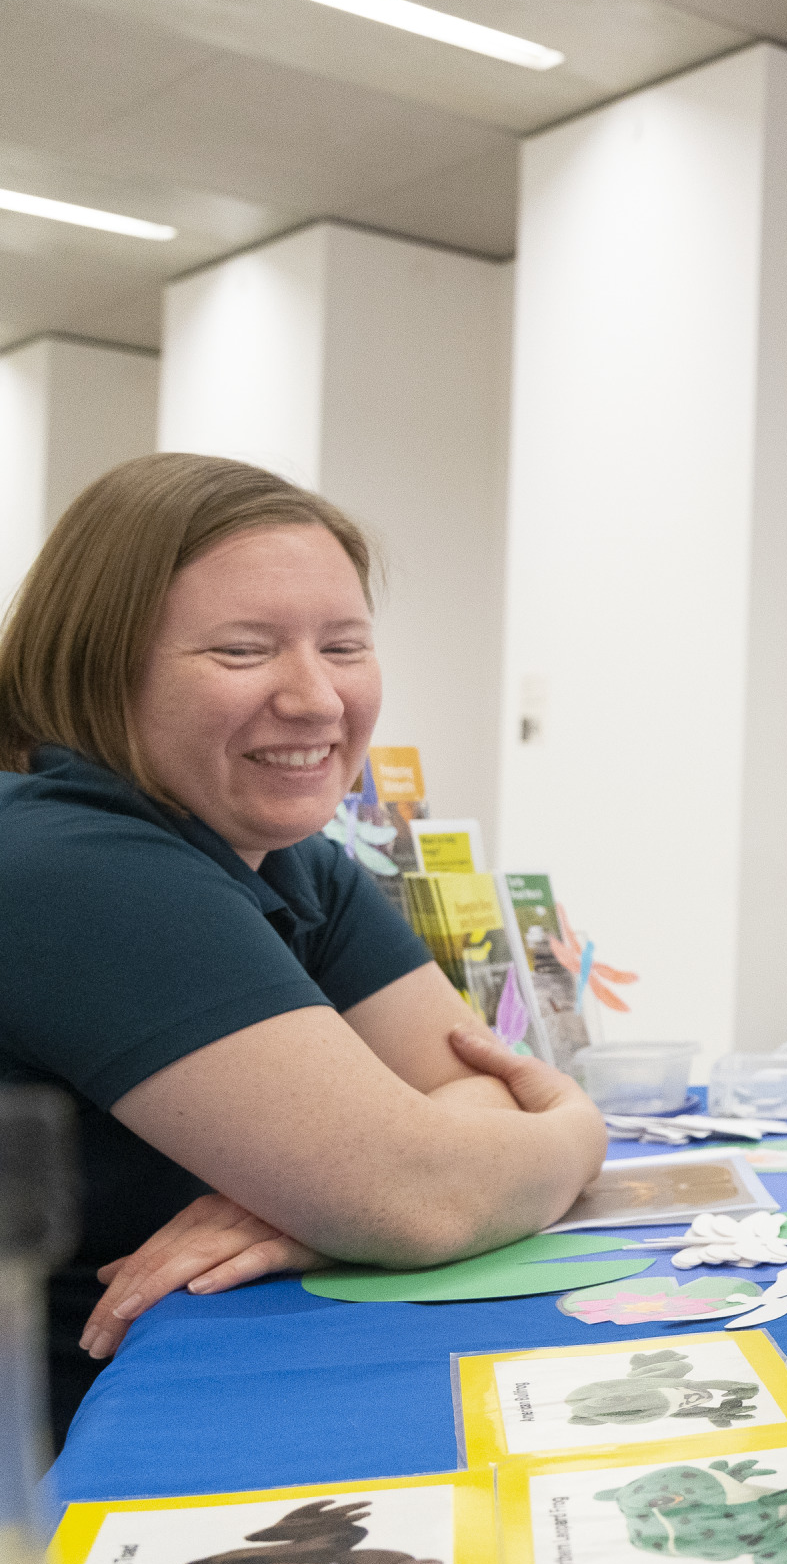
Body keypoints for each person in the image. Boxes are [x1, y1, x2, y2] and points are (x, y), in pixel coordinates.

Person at [0, 454, 608, 1449]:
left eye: (345, 645)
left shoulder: (294, 861)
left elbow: (472, 1097)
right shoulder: (72, 862)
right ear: (97, 668)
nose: (316, 698)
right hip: (59, 1469)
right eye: (243, 651)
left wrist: (322, 1202)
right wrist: (575, 1128)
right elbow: (426, 1188)